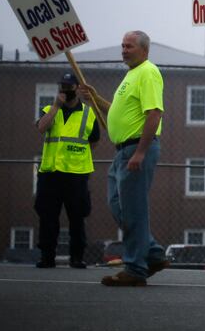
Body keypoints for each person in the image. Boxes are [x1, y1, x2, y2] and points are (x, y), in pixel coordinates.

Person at [80, 30, 168, 287]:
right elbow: (118, 111)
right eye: (122, 46)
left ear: (144, 50)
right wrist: (96, 99)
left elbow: (154, 113)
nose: (124, 50)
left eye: (129, 46)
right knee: (118, 205)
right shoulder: (131, 75)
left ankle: (135, 269)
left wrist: (140, 152)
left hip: (136, 149)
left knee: (133, 209)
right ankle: (152, 253)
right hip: (122, 152)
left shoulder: (148, 72)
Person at [33, 72, 100, 268]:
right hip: (51, 173)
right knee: (47, 217)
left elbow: (94, 141)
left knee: (77, 218)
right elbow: (41, 128)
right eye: (61, 86)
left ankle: (77, 257)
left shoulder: (88, 113)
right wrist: (55, 106)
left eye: (69, 86)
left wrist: (75, 151)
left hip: (76, 175)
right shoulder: (50, 109)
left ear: (78, 89)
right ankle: (47, 256)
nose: (64, 90)